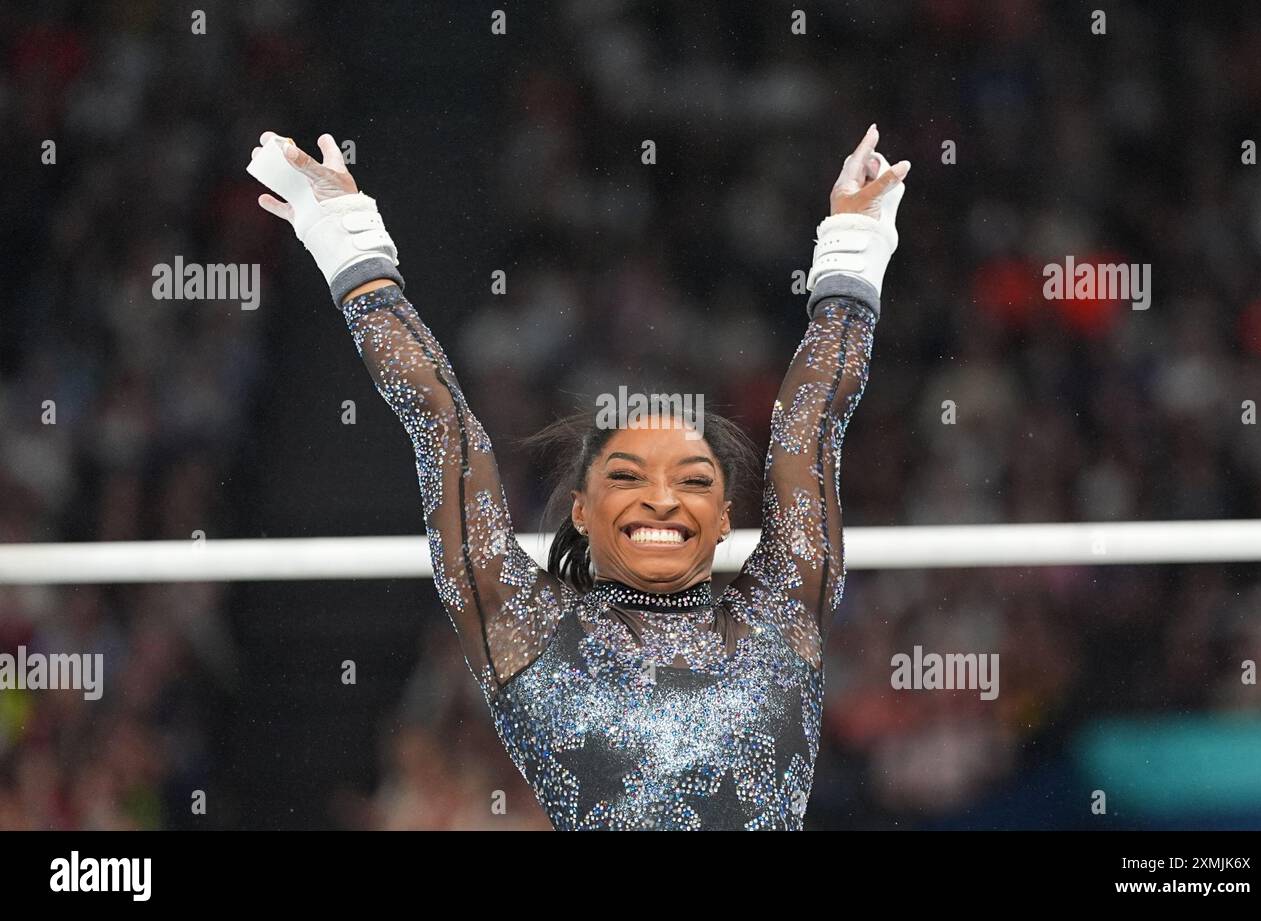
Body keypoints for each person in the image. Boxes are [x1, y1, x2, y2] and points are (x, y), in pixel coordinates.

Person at [247, 124, 909, 830]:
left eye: (692, 480)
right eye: (629, 478)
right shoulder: (528, 630)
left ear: (724, 520)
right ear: (583, 511)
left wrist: (851, 247)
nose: (662, 496)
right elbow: (440, 421)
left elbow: (810, 426)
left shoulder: (781, 615)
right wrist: (349, 244)